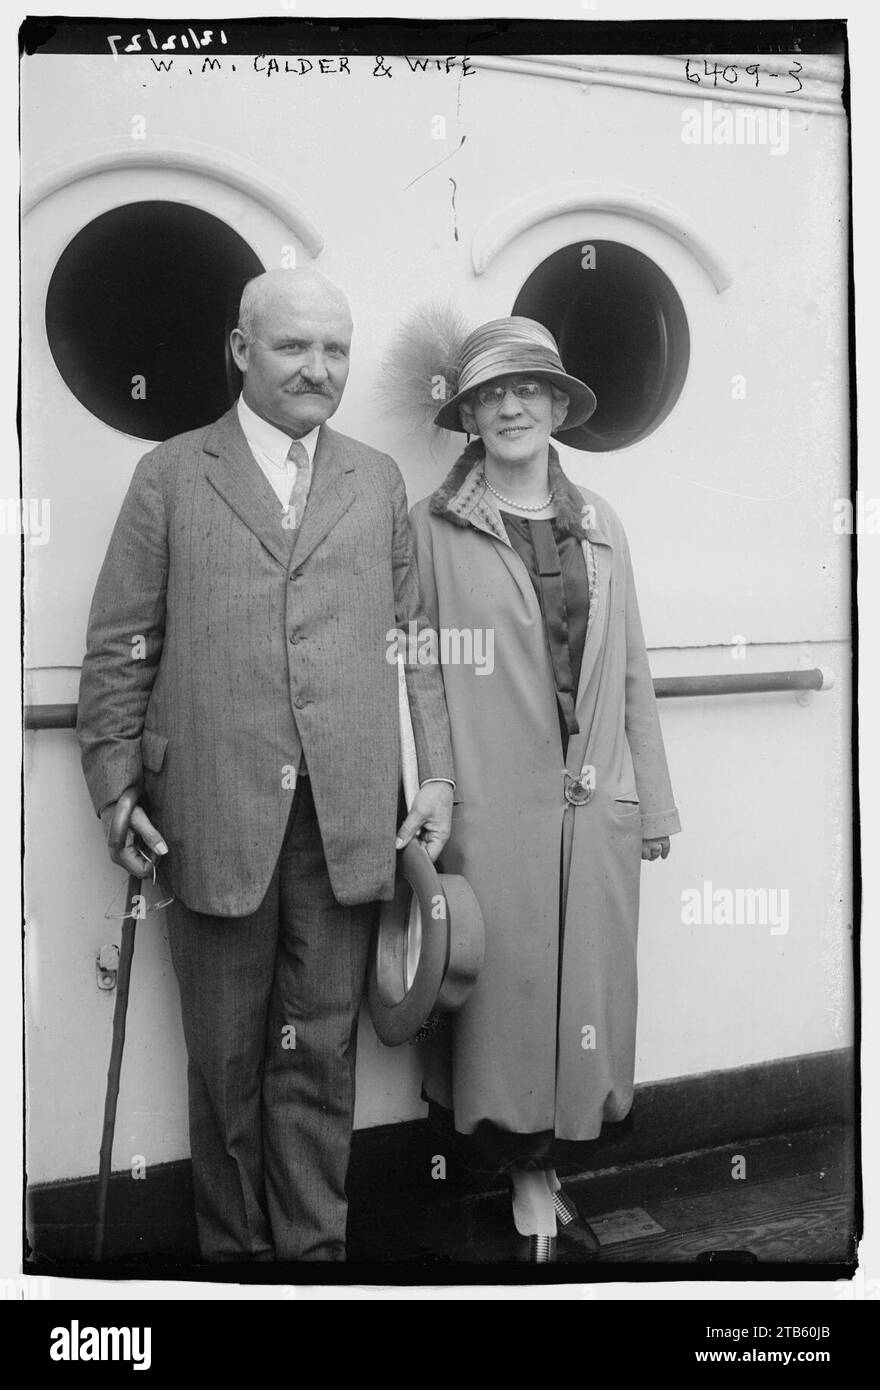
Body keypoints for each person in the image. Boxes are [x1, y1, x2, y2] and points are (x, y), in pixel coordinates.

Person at [76, 268, 455, 1263]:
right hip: (208, 815)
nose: (318, 368)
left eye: (335, 349)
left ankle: (314, 1266)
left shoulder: (375, 480)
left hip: (346, 821)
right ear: (242, 350)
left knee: (319, 1060)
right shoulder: (169, 474)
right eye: (294, 346)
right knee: (227, 1065)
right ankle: (237, 1271)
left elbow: (411, 643)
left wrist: (439, 779)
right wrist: (115, 789)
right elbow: (121, 644)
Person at [409, 316, 681, 1263]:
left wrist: (653, 800)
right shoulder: (433, 526)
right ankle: (523, 1165)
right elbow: (419, 669)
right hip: (495, 807)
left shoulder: (602, 522)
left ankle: (556, 1156)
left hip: (596, 802)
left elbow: (633, 668)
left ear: (560, 405)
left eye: (530, 389)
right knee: (509, 995)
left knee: (587, 995)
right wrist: (438, 779)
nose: (513, 406)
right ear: (471, 416)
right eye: (491, 394)